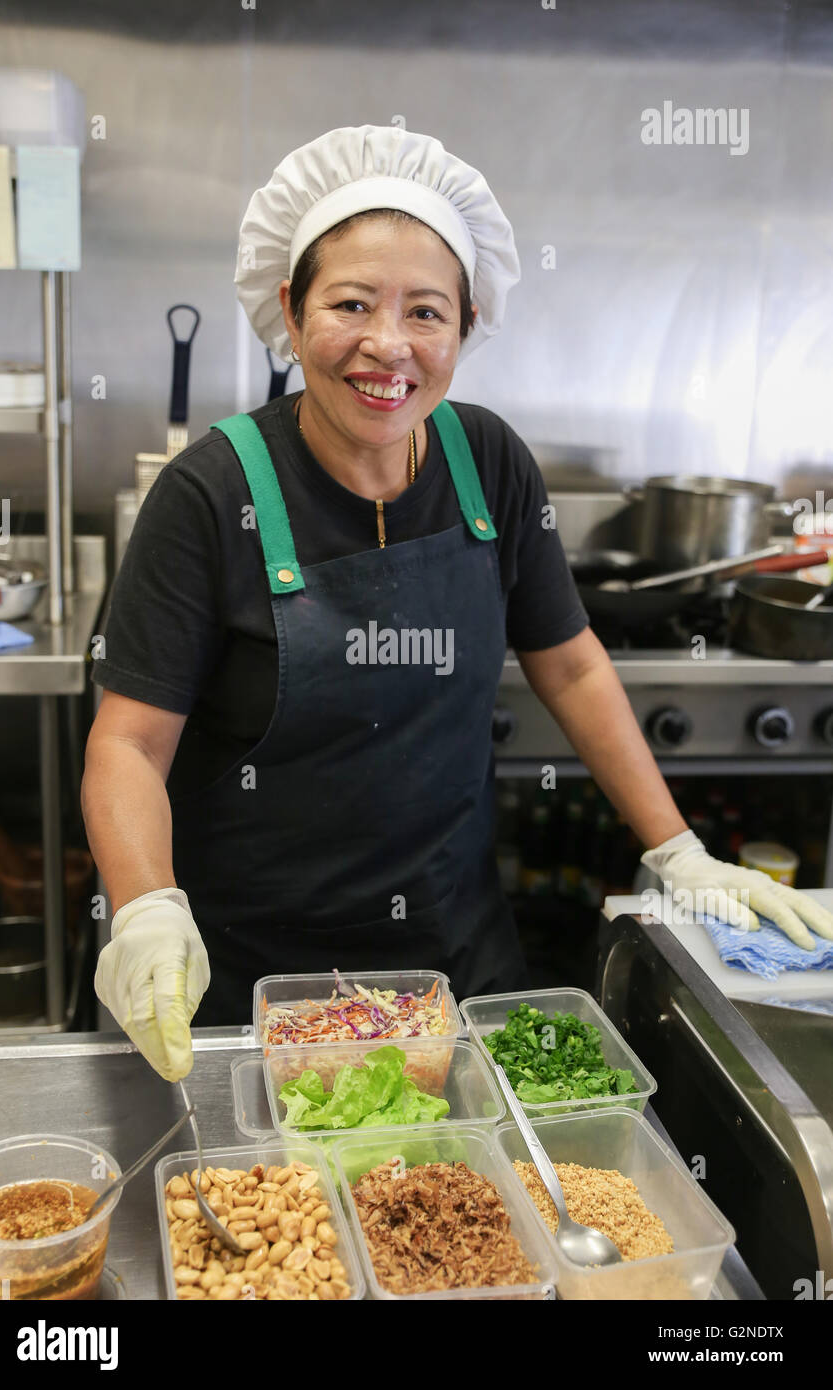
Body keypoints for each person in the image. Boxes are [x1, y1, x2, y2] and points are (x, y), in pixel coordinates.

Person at [84, 124, 833, 1083]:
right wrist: (147, 909)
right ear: (289, 307)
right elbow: (128, 744)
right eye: (350, 303)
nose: (386, 346)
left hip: (452, 959)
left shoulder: (491, 465)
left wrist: (679, 850)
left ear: (467, 325)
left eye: (426, 312)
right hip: (241, 977)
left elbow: (570, 661)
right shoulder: (207, 493)